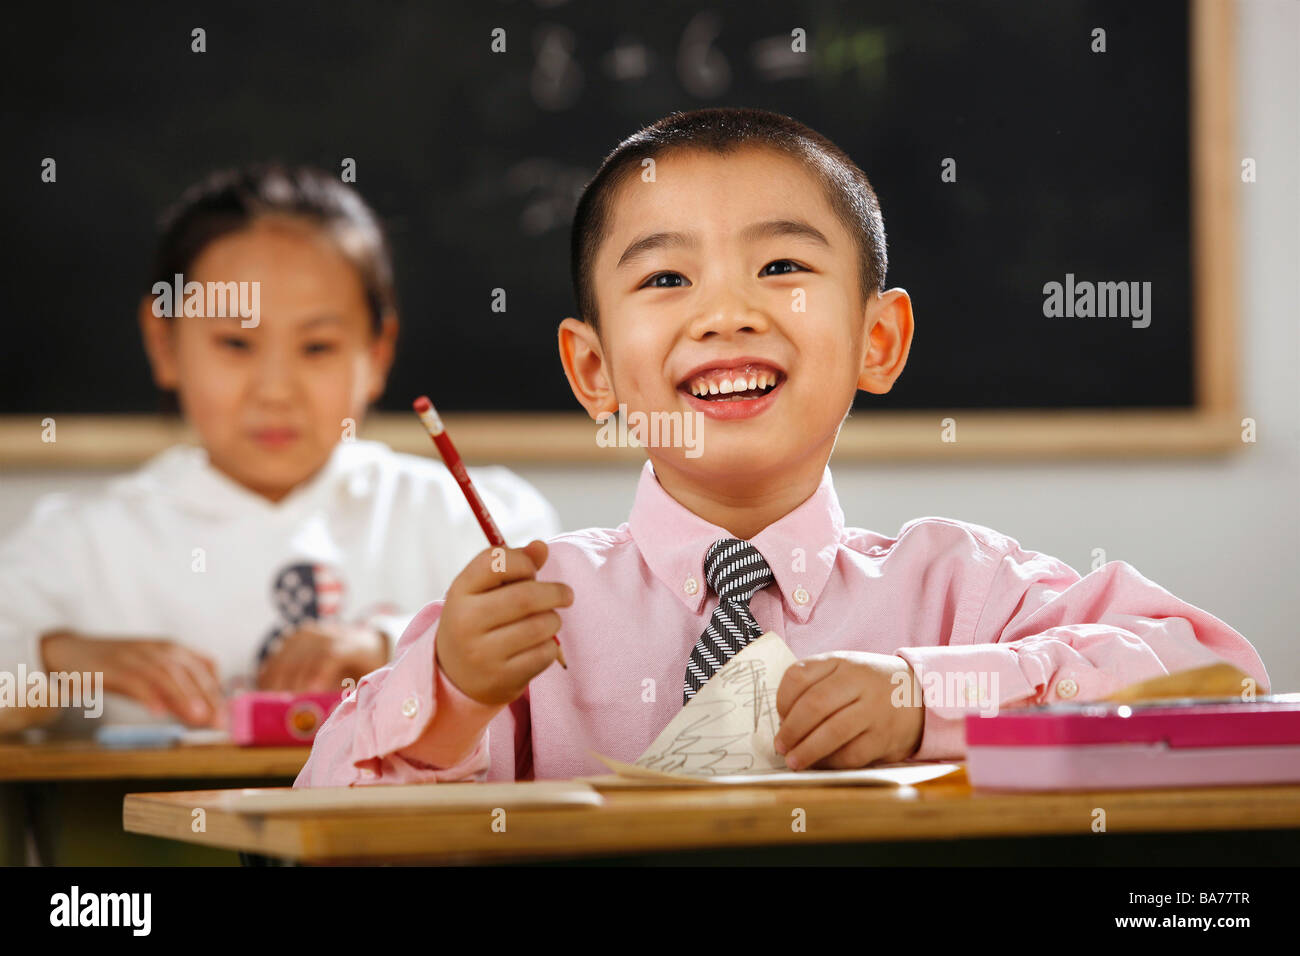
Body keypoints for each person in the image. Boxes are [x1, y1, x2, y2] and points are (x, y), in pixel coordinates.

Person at [295, 108, 1268, 786]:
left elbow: (1213, 667)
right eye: (667, 276)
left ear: (876, 340)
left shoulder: (957, 590)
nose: (726, 310)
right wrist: (454, 696)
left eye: (781, 264)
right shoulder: (516, 622)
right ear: (593, 370)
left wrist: (928, 692)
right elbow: (314, 809)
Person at [0, 164, 560, 732]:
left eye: (317, 347)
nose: (274, 391)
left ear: (378, 351)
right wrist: (60, 657)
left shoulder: (458, 515)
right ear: (163, 341)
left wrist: (396, 645)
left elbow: (572, 654)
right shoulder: (75, 545)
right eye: (235, 344)